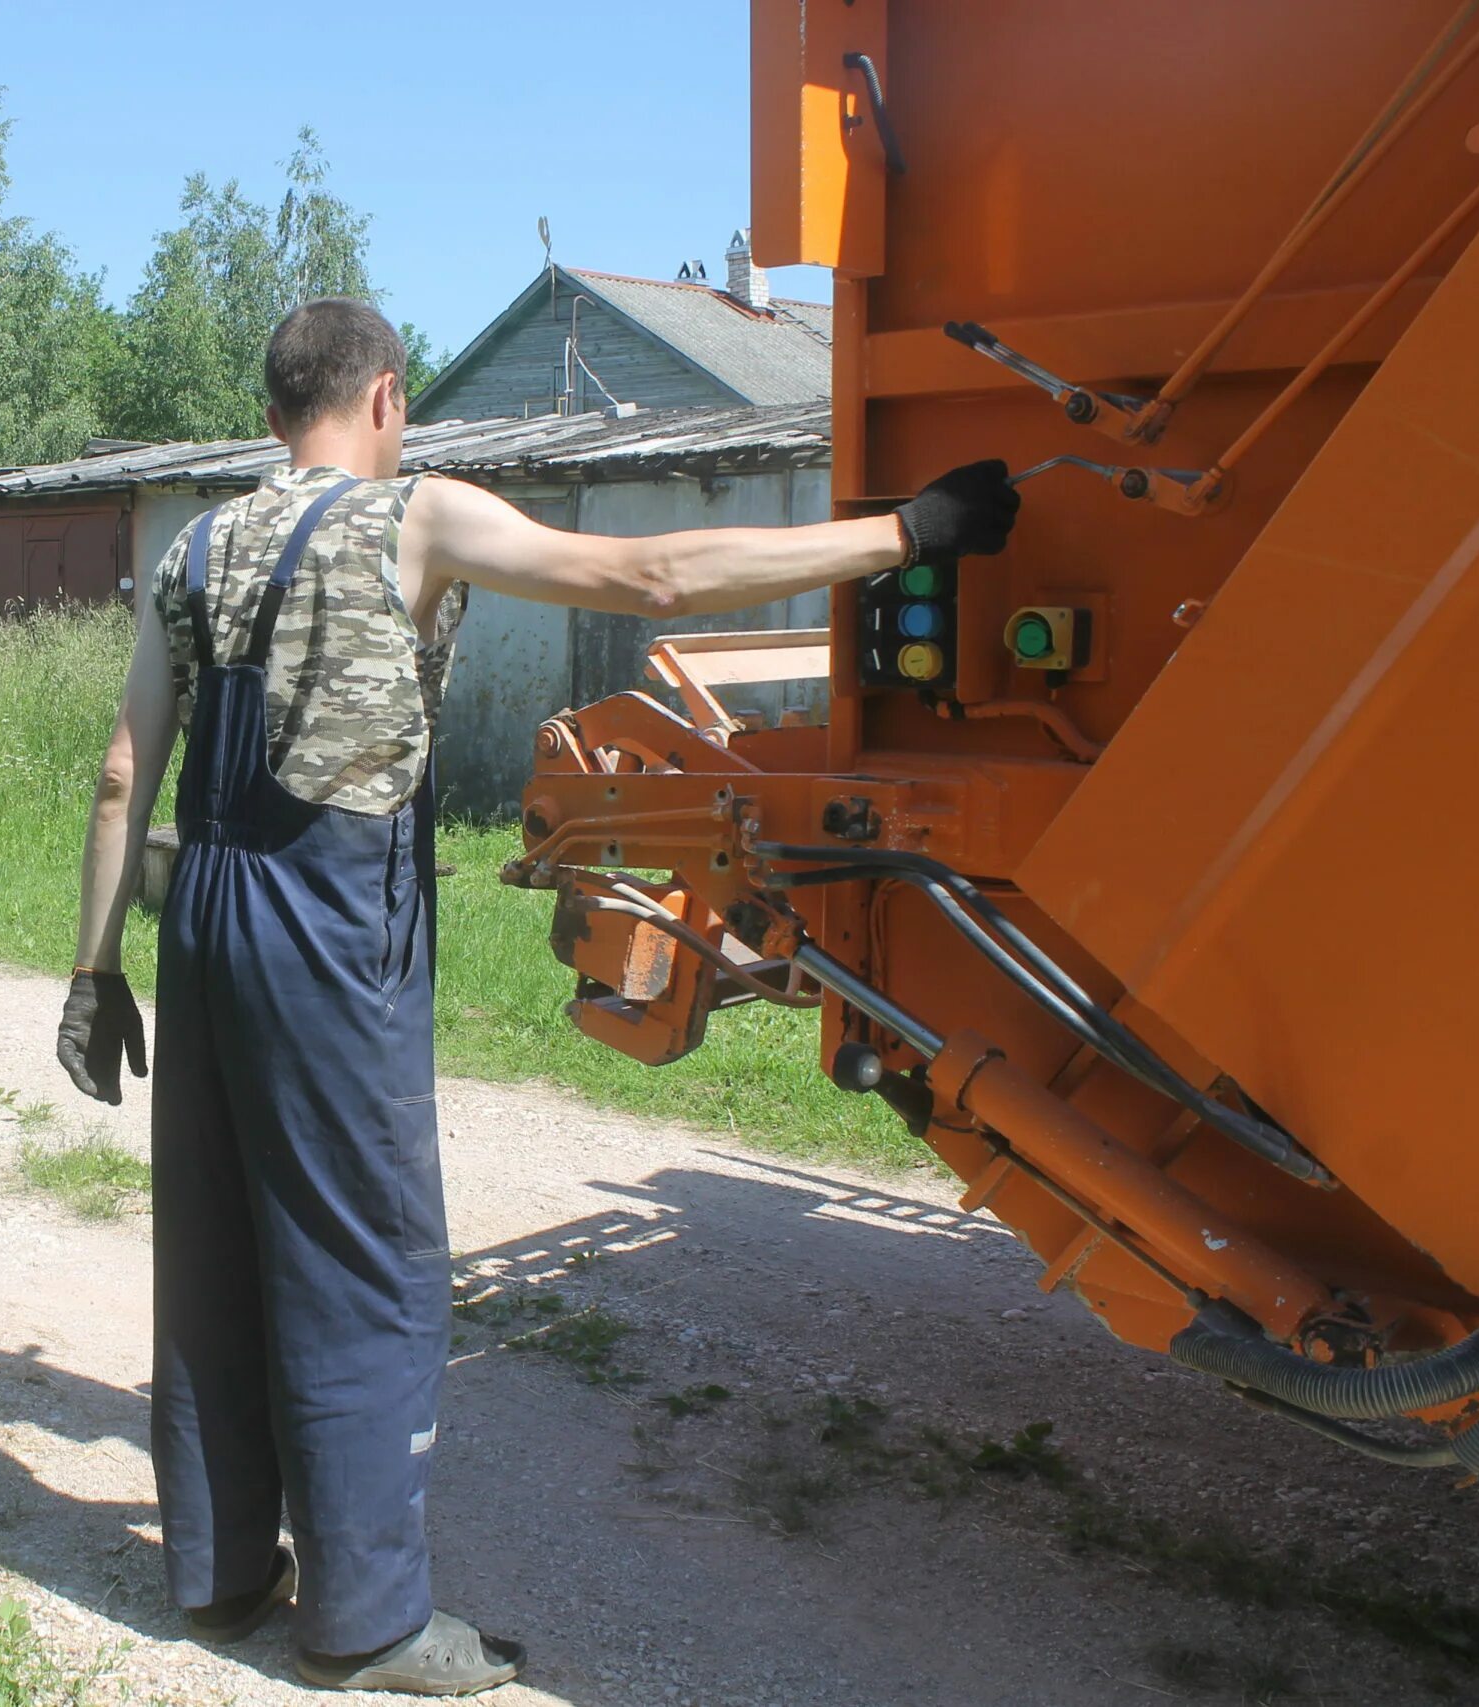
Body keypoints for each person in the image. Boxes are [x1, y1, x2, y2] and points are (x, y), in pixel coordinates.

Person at [55, 297, 1017, 1693]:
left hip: (202, 907)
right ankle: (369, 1622)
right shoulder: (418, 517)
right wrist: (904, 537)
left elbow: (119, 775)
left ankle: (215, 1576)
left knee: (212, 1244)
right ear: (385, 398)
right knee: (366, 1259)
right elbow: (656, 580)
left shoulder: (193, 545)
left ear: (276, 414)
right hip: (334, 914)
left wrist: (93, 975)